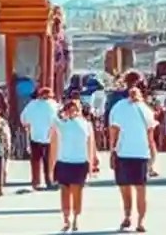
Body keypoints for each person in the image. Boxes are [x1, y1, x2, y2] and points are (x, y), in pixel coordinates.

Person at [109, 82, 158, 232]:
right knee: (140, 189)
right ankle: (140, 221)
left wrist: (112, 151)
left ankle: (128, 216)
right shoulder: (146, 110)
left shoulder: (118, 108)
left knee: (125, 189)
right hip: (140, 153)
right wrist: (153, 158)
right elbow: (151, 137)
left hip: (123, 153)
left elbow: (113, 131)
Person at [49, 96, 97, 232]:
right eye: (69, 109)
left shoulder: (86, 124)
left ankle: (76, 218)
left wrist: (91, 165)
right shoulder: (61, 123)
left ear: (80, 110)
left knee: (77, 192)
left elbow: (90, 145)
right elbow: (53, 121)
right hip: (64, 161)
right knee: (64, 193)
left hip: (80, 162)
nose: (72, 112)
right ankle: (66, 219)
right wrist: (51, 168)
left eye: (75, 109)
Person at [21, 86, 58, 190]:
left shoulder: (32, 105)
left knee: (35, 160)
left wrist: (29, 126)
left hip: (35, 136)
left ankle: (36, 181)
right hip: (49, 137)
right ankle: (49, 180)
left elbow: (23, 119)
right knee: (49, 160)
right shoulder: (54, 105)